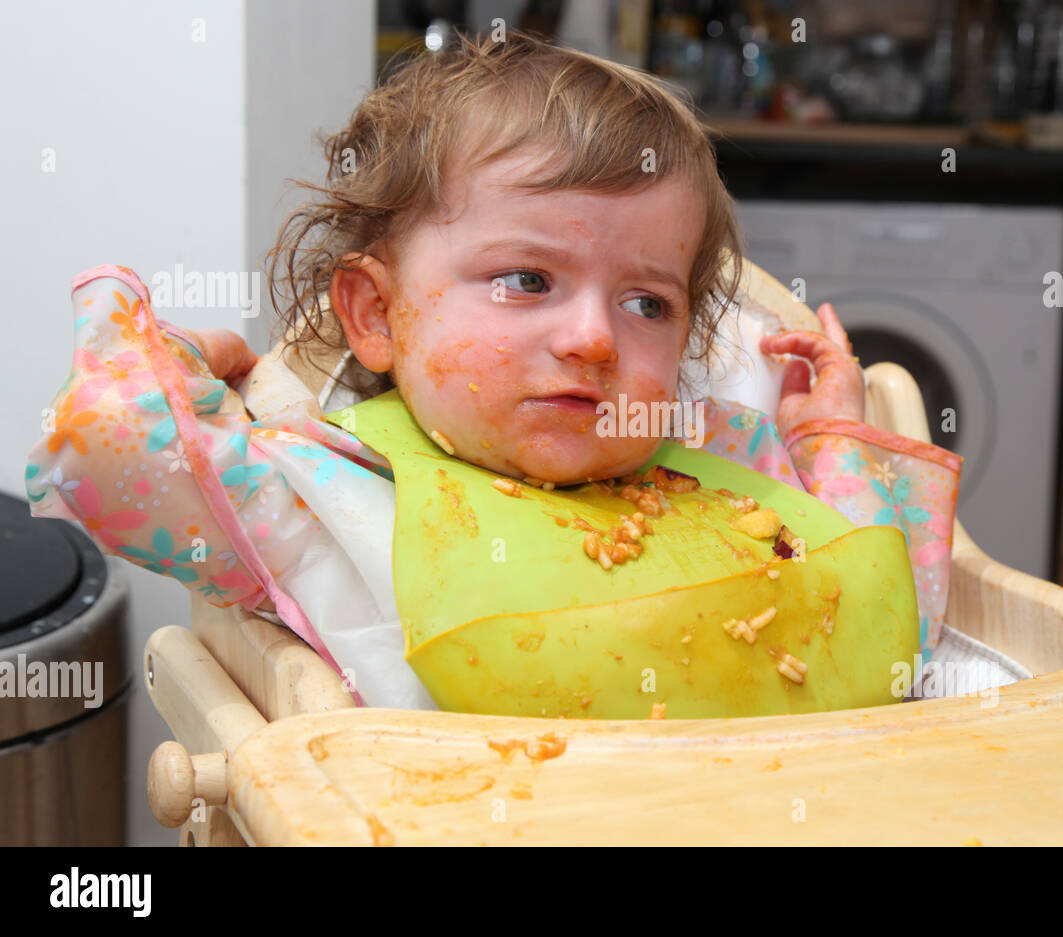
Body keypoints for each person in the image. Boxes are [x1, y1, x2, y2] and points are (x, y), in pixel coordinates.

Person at [24, 32, 960, 712]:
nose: (595, 338)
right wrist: (183, 362)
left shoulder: (727, 459)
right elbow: (99, 455)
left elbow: (886, 619)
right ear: (379, 315)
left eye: (648, 303)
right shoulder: (325, 496)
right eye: (527, 280)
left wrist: (830, 437)